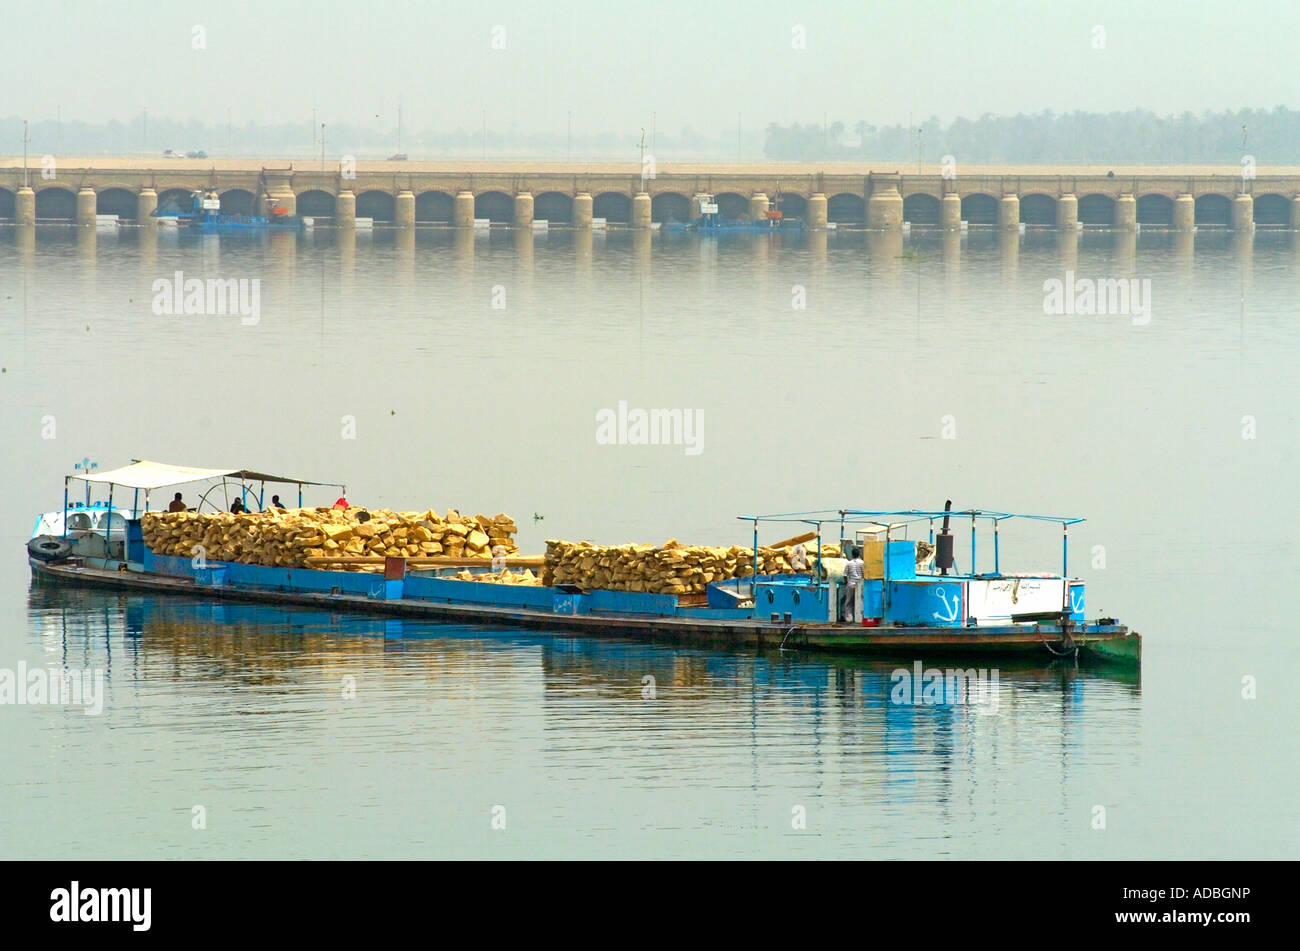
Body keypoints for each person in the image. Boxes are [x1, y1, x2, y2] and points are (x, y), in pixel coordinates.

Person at [842, 545, 864, 624]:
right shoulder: (862, 563)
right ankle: (860, 618)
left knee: (849, 602)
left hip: (851, 584)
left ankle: (849, 619)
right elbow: (865, 574)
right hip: (860, 584)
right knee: (860, 601)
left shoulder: (849, 563)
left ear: (852, 554)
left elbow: (844, 575)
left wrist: (846, 583)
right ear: (859, 554)